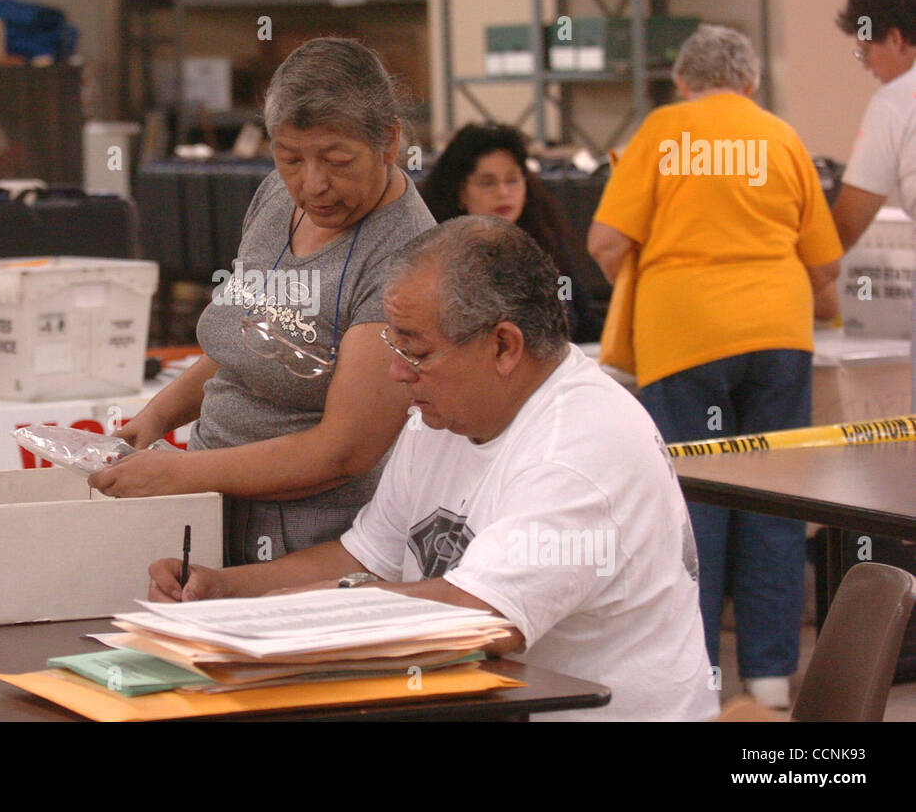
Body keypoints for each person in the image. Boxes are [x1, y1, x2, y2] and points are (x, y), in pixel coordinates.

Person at [147, 217, 717, 722]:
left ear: (503, 346)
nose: (396, 374)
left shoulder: (579, 450)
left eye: (416, 352)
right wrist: (224, 590)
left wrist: (276, 620)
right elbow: (366, 556)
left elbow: (481, 619)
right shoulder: (443, 414)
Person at [89, 37, 437, 566]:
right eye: (290, 157)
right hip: (211, 502)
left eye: (338, 160)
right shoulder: (278, 196)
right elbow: (252, 340)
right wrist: (155, 418)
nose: (313, 184)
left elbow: (343, 451)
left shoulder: (402, 255)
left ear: (389, 142)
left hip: (312, 536)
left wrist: (180, 473)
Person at [587, 24, 843, 709]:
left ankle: (695, 678)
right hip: (781, 334)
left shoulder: (662, 132)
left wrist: (648, 276)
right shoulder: (782, 137)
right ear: (752, 82)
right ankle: (768, 679)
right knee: (778, 505)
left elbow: (606, 241)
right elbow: (825, 264)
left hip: (685, 335)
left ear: (681, 81)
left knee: (695, 503)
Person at [420, 122, 603, 342]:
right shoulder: (438, 257)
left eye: (513, 180)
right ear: (459, 192)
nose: (503, 192)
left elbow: (584, 322)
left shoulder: (546, 244)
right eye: (487, 183)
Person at [828, 0, 916, 406]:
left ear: (897, 39)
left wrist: (795, 279)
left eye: (866, 53)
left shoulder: (898, 99)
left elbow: (847, 223)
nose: (868, 68)